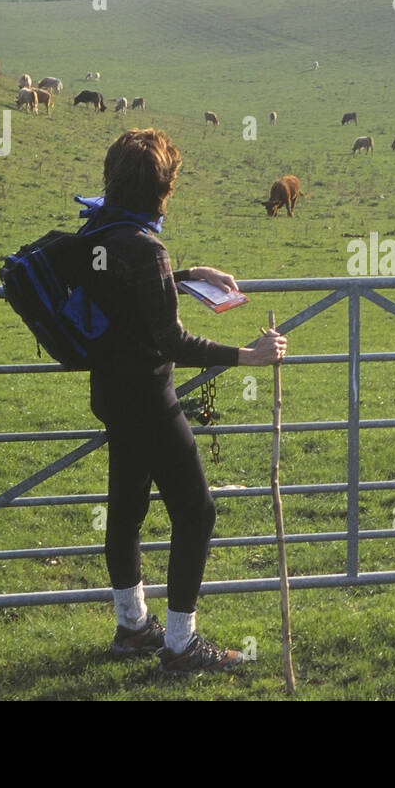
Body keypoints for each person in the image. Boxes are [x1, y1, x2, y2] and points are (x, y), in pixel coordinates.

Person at [82, 127, 286, 674]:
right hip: (150, 398)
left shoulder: (100, 229)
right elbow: (171, 340)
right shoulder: (145, 245)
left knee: (126, 508)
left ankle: (131, 627)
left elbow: (125, 291)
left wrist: (191, 273)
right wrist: (250, 354)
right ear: (162, 188)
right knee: (196, 511)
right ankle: (180, 644)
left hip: (110, 393)